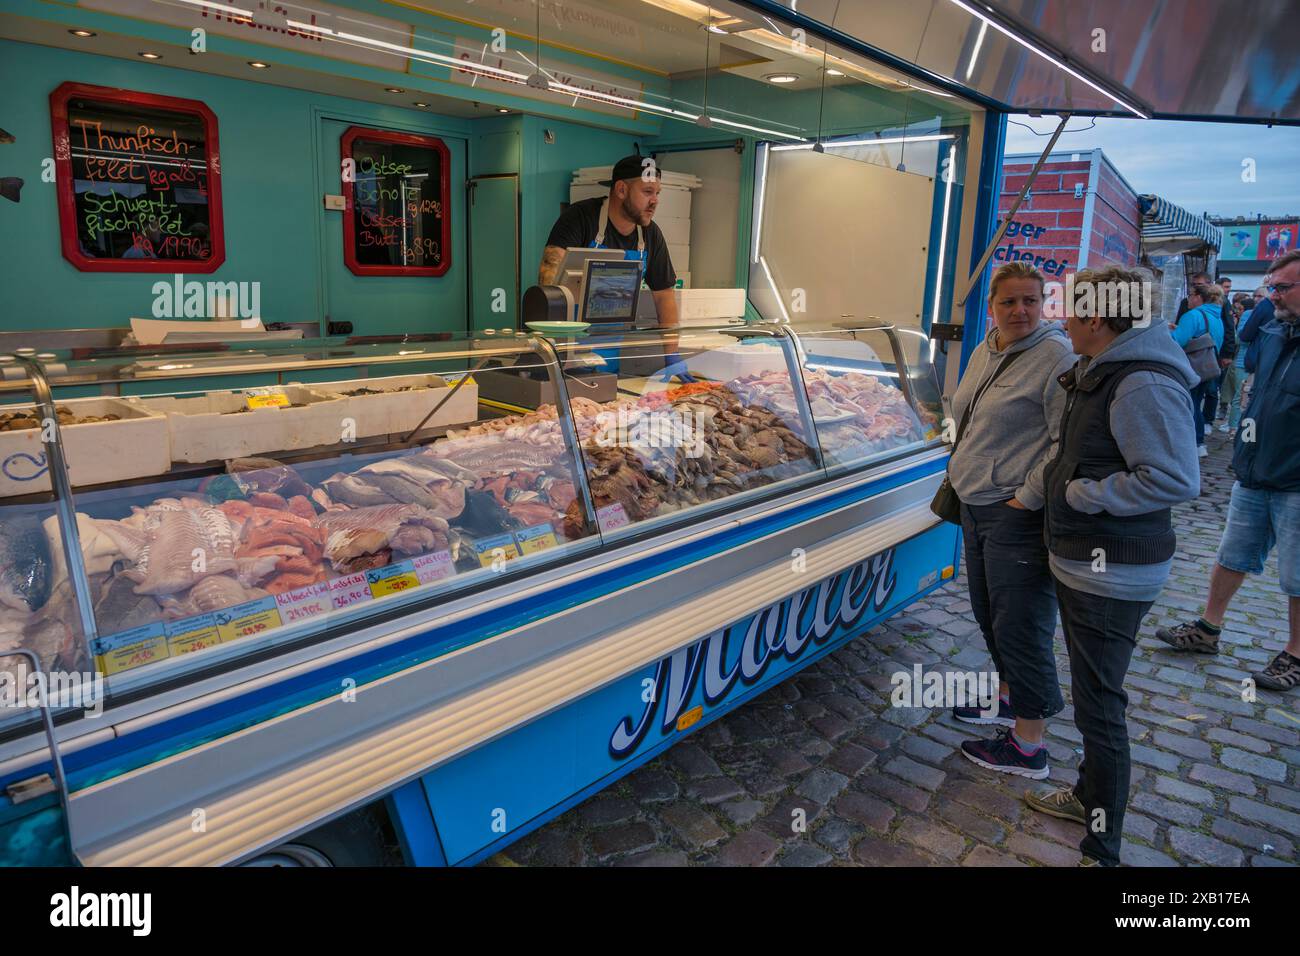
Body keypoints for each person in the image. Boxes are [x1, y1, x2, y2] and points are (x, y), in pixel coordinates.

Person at [1022, 266, 1200, 867]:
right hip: (1085, 565)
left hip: (1112, 572)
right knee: (1094, 694)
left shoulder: (1144, 381)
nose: (1061, 321)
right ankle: (1087, 797)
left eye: (1069, 311)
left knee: (1100, 703)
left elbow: (1174, 477)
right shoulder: (1103, 368)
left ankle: (1102, 845)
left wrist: (1080, 494)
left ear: (1098, 319)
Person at [945, 262, 1076, 780]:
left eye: (1029, 301)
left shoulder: (1056, 357)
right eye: (1008, 302)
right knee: (990, 613)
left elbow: (1065, 441)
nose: (1019, 311)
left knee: (1021, 624)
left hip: (1015, 513)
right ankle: (1006, 697)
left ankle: (1028, 746)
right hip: (976, 503)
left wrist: (1026, 497)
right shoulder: (986, 348)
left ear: (1044, 302)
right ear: (993, 306)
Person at [1156, 250, 1300, 692]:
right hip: (1255, 469)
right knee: (1231, 555)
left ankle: (1296, 652)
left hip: (1296, 478)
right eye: (1271, 286)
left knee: (1297, 574)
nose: (1271, 295)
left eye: (1282, 288)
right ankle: (1208, 627)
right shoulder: (1276, 331)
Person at [537, 153, 679, 328]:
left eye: (657, 193)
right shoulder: (579, 218)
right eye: (648, 192)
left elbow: (664, 295)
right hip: (573, 338)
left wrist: (672, 354)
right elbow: (549, 283)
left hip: (616, 342)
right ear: (621, 190)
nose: (655, 201)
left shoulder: (651, 234)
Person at [1170, 281, 1225, 457]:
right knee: (1196, 401)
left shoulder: (1192, 315)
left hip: (1191, 366)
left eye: (1191, 295)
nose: (1188, 299)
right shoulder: (1216, 317)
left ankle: (1195, 441)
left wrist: (1169, 331)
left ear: (1199, 297)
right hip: (1207, 366)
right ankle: (1198, 441)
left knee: (1189, 403)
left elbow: (1178, 341)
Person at [1219, 293, 1251, 433]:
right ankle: (1233, 425)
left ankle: (1233, 425)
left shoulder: (1246, 315)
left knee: (1238, 395)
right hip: (1239, 360)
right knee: (1237, 394)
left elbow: (1239, 339)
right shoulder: (1246, 316)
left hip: (1240, 360)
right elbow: (1240, 338)